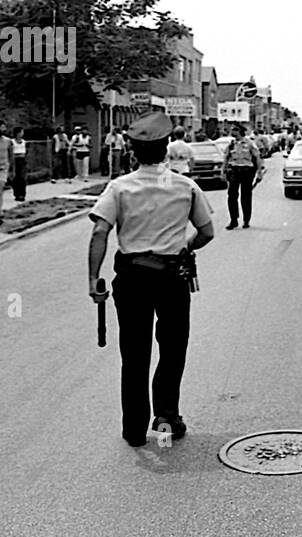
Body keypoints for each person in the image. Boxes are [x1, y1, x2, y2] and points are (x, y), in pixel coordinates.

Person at [88, 111, 215, 448]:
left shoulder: (119, 187)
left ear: (132, 151)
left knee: (134, 353)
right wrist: (185, 246)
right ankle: (166, 416)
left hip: (131, 278)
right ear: (167, 150)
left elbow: (100, 230)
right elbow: (207, 231)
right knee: (172, 348)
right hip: (172, 277)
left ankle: (133, 429)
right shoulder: (185, 186)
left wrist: (92, 279)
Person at [222, 123, 262, 229]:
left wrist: (259, 172)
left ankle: (246, 220)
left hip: (246, 171)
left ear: (240, 131)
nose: (232, 132)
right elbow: (226, 159)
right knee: (232, 196)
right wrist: (223, 172)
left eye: (234, 130)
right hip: (234, 171)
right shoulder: (231, 144)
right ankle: (233, 220)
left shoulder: (249, 143)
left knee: (246, 196)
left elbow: (257, 157)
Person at [10, 126, 28, 202]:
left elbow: (26, 151)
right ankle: (17, 194)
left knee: (22, 177)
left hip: (22, 159)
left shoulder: (24, 142)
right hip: (15, 159)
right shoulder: (12, 142)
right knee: (16, 177)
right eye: (21, 132)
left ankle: (22, 194)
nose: (22, 134)